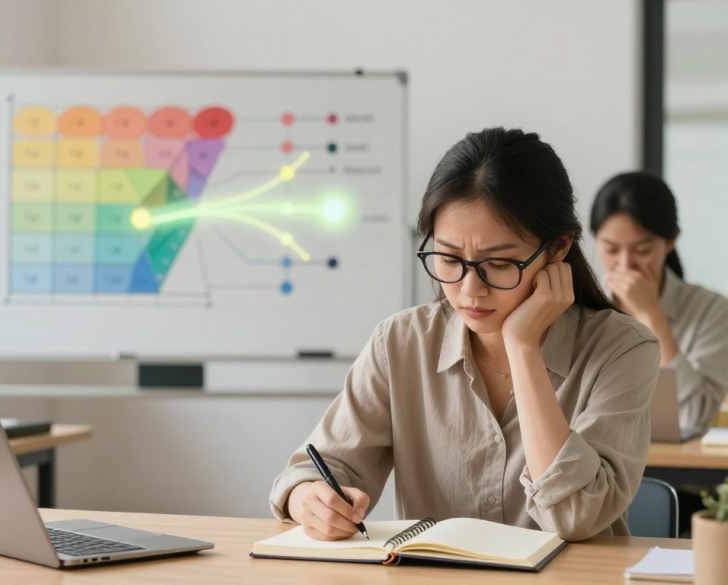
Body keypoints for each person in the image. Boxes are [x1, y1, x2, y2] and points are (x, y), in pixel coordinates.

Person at [269, 128, 659, 543]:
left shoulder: (623, 349)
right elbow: (317, 468)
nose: (470, 290)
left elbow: (575, 516)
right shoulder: (401, 343)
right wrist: (307, 498)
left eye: (499, 262)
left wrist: (523, 347)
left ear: (559, 248)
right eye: (449, 258)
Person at [591, 171, 728, 537]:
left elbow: (696, 413)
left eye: (642, 249)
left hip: (685, 491)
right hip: (597, 476)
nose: (626, 265)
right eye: (611, 248)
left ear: (671, 241)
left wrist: (651, 316)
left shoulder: (711, 310)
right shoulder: (582, 308)